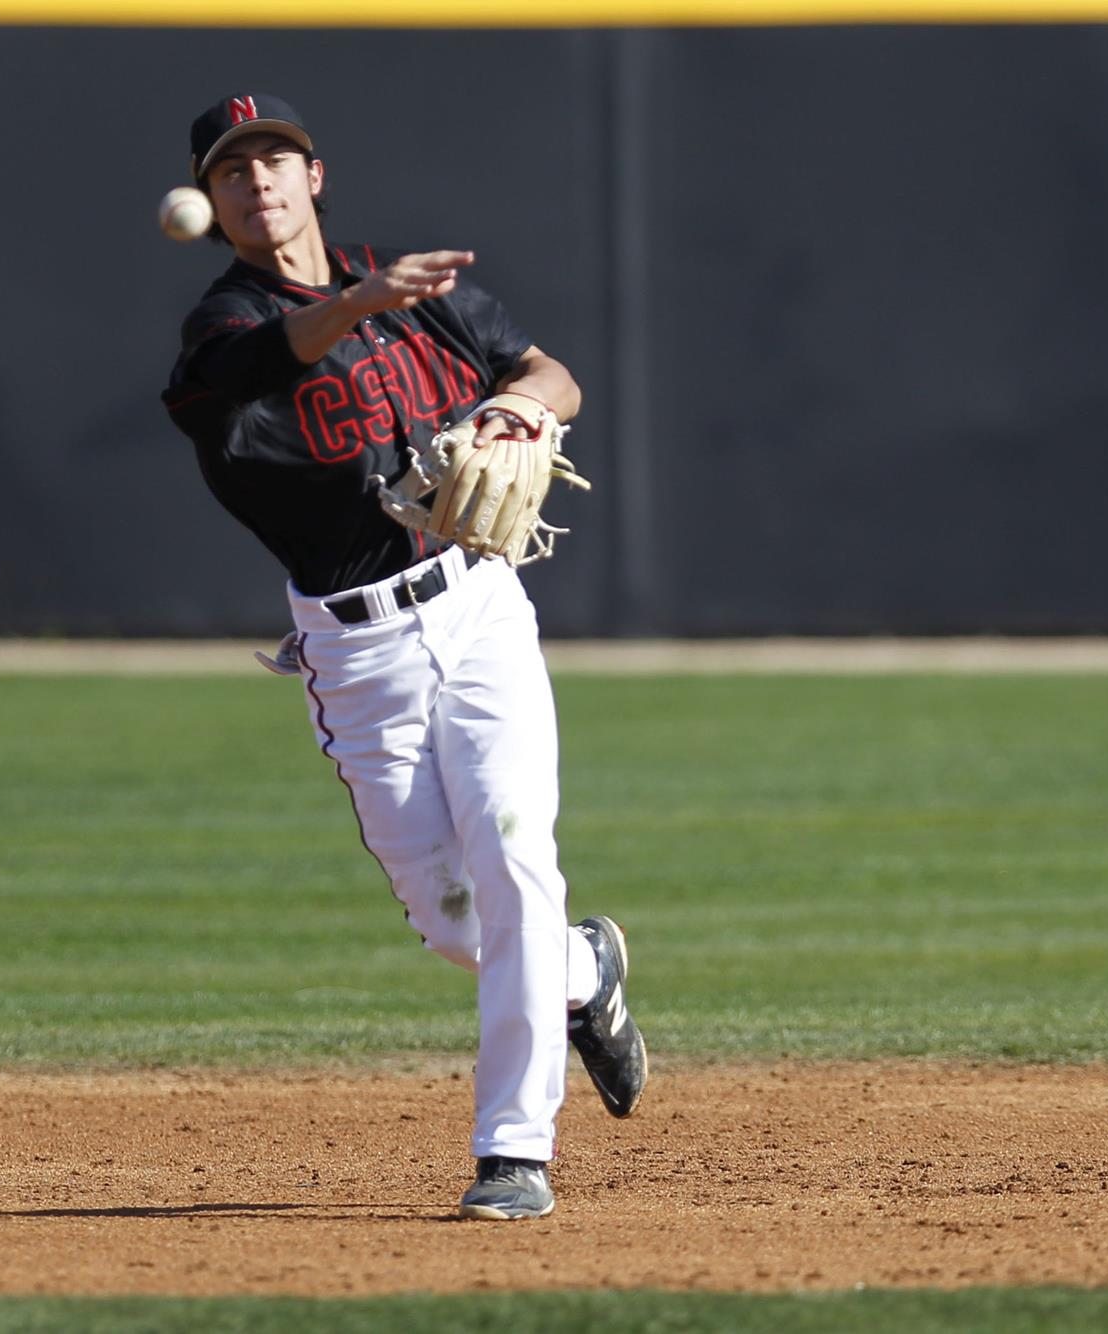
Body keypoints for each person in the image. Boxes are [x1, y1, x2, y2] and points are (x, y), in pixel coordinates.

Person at [161, 94, 648, 1221]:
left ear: (313, 176)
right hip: (355, 651)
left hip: (478, 607)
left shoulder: (420, 290)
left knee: (518, 851)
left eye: (273, 159)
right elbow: (265, 359)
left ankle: (512, 1153)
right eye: (231, 170)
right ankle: (583, 973)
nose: (255, 183)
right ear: (214, 198)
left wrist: (523, 408)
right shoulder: (219, 331)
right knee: (453, 919)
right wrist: (353, 303)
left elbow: (550, 370)